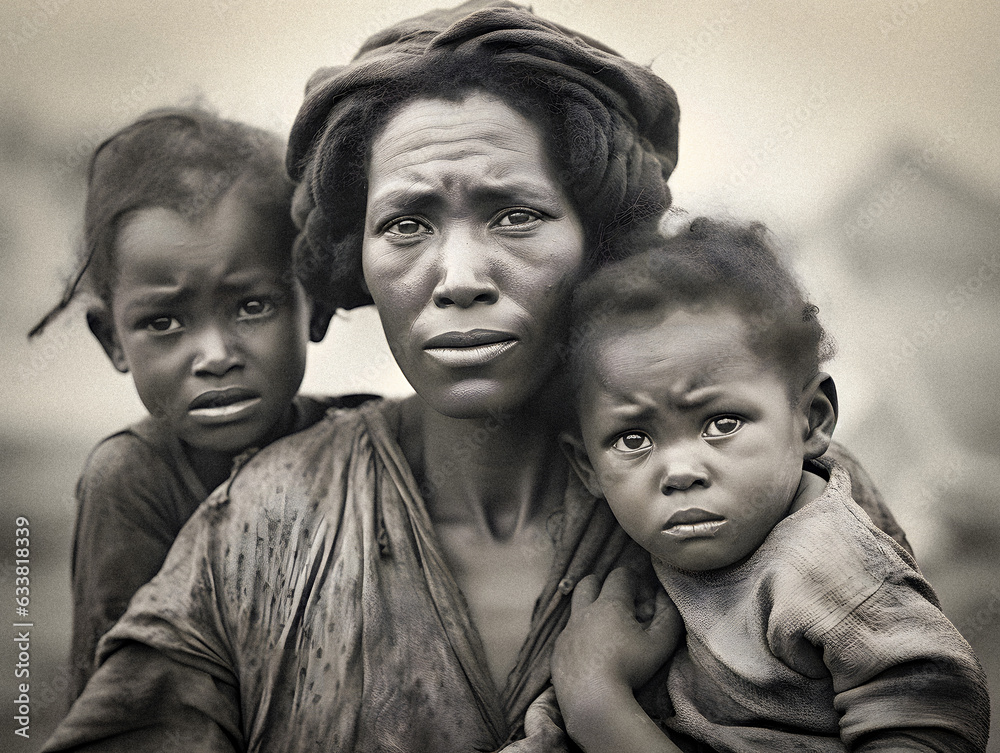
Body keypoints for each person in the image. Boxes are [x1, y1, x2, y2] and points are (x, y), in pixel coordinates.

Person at [43, 4, 908, 751]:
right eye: (408, 222)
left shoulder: (786, 490)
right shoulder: (259, 525)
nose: (458, 275)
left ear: (597, 238)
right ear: (357, 259)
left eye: (516, 213)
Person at [553, 219, 990, 752]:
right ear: (588, 469)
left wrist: (595, 702)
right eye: (633, 438)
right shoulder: (643, 553)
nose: (679, 470)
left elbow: (932, 724)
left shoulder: (831, 569)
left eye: (722, 424)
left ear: (810, 421)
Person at [29, 108, 374, 700]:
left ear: (313, 308)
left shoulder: (364, 443)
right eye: (163, 322)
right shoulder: (132, 482)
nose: (214, 355)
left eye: (252, 306)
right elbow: (119, 698)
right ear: (112, 338)